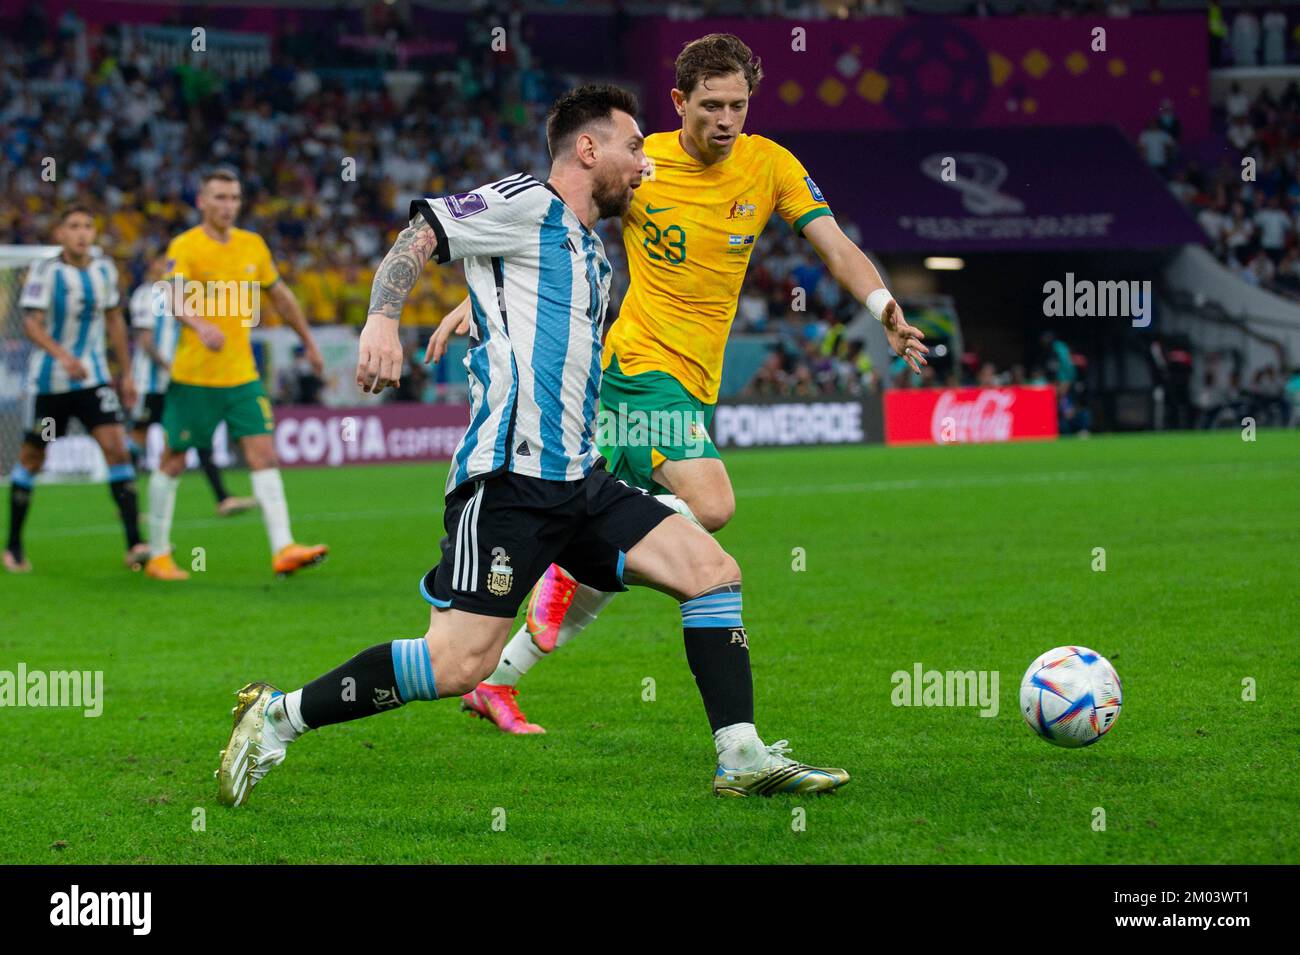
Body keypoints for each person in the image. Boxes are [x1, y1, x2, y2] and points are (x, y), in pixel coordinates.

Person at [214, 85, 849, 806]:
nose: (646, 165)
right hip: (510, 480)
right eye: (635, 147)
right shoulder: (527, 201)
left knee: (712, 570)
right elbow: (419, 234)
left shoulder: (591, 250)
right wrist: (381, 321)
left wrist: (473, 302)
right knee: (455, 665)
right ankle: (278, 716)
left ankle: (739, 755)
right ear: (588, 148)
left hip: (579, 480)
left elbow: (522, 293)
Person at [427, 33, 928, 734]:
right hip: (634, 370)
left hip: (694, 383)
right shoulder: (641, 161)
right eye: (712, 105)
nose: (726, 120)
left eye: (738, 105)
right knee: (712, 504)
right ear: (679, 102)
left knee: (614, 562)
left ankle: (502, 674)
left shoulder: (770, 165)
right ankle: (577, 569)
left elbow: (836, 244)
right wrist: (477, 304)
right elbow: (553, 226)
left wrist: (884, 311)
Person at [144, 168, 327, 581]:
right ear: (201, 202)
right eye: (220, 198)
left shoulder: (253, 246)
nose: (228, 205)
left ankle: (283, 548)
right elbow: (170, 293)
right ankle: (157, 555)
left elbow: (280, 296)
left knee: (263, 454)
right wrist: (199, 323)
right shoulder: (186, 245)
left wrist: (310, 343)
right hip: (194, 376)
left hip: (241, 374)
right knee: (173, 458)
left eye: (234, 198)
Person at [5, 207, 148, 574]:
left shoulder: (104, 270)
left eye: (88, 226)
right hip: (51, 383)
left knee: (117, 449)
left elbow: (115, 319)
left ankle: (135, 545)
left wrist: (127, 373)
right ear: (60, 234)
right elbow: (32, 326)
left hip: (94, 380)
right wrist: (64, 357)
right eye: (74, 227)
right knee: (33, 459)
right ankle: (14, 547)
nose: (82, 233)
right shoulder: (45, 271)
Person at [127, 252, 256, 516]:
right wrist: (169, 367)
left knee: (198, 436)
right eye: (165, 262)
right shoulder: (146, 294)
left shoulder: (182, 297)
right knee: (138, 438)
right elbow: (146, 341)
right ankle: (128, 503)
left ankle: (223, 499)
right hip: (151, 383)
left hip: (179, 382)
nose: (170, 268)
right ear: (153, 265)